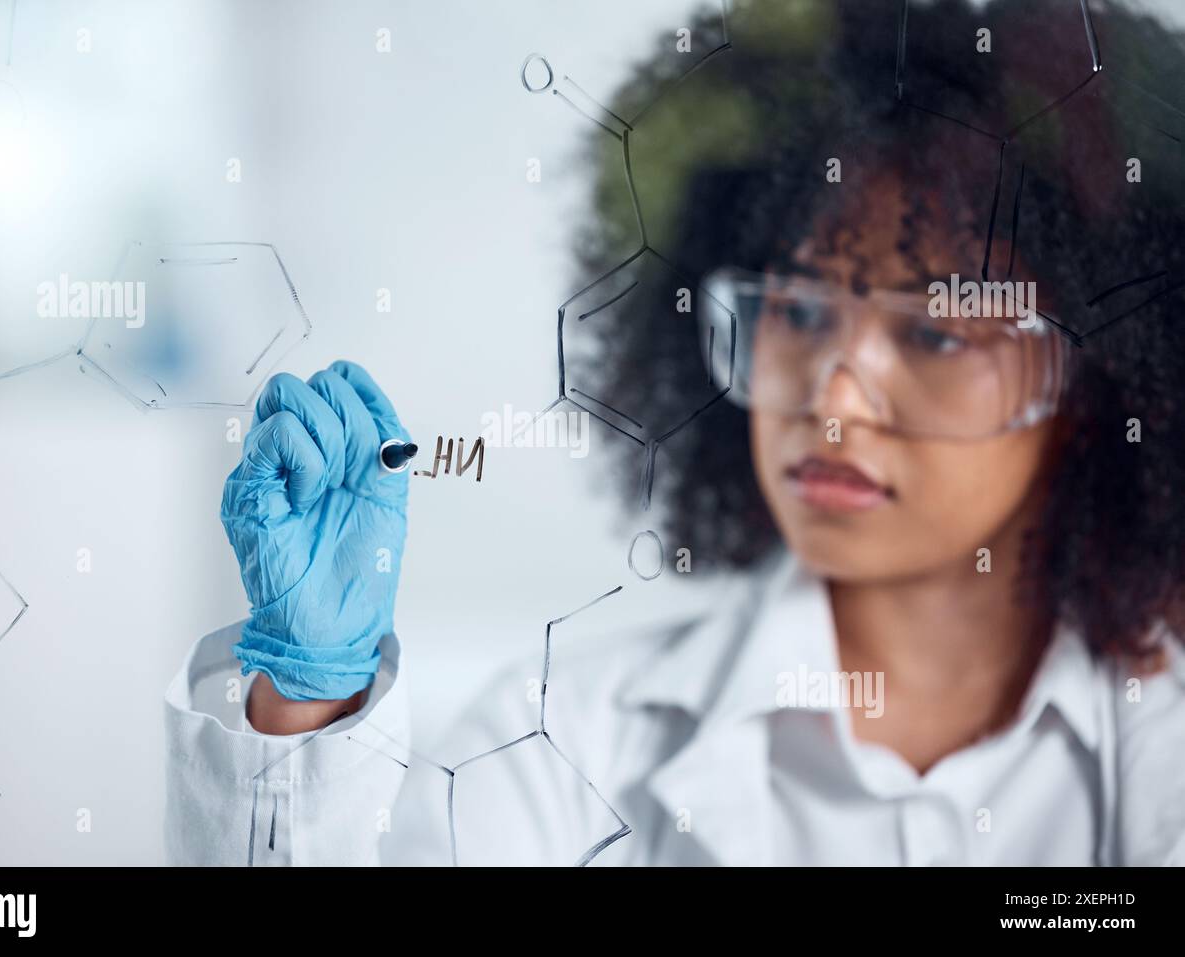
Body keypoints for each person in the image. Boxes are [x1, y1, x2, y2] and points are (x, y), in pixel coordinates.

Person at [164, 0, 1185, 866]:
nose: (834, 399)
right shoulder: (556, 742)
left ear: (1100, 376)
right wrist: (303, 709)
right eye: (796, 310)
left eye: (931, 331)